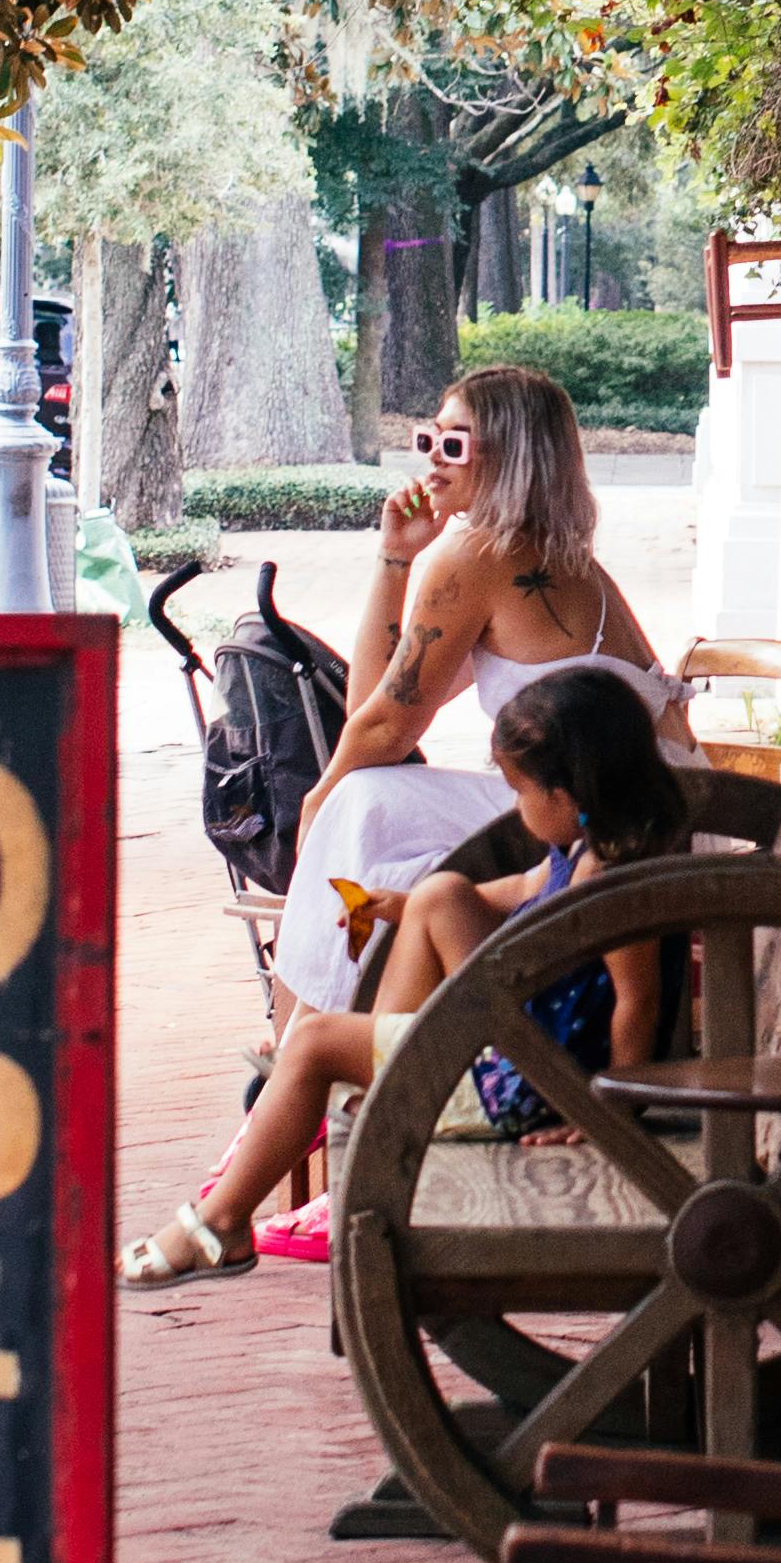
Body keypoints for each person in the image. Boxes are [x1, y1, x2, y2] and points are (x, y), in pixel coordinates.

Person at [126, 660, 704, 1284]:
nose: (515, 804)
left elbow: (636, 1002)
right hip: (527, 1051)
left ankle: (221, 1222)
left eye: (520, 791)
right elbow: (523, 887)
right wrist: (401, 904)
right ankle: (384, 1060)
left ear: (565, 796)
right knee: (443, 893)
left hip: (526, 1084)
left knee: (315, 1043)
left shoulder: (609, 877)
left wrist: (604, 1113)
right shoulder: (596, 844)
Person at [264, 359, 688, 992]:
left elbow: (383, 729)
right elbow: (375, 708)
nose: (434, 459)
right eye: (428, 439)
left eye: (454, 444)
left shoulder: (477, 556)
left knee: (357, 801)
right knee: (369, 799)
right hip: (646, 803)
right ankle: (330, 1025)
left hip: (611, 817)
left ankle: (318, 1027)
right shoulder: (546, 553)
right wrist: (396, 557)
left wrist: (318, 794)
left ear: (511, 456)